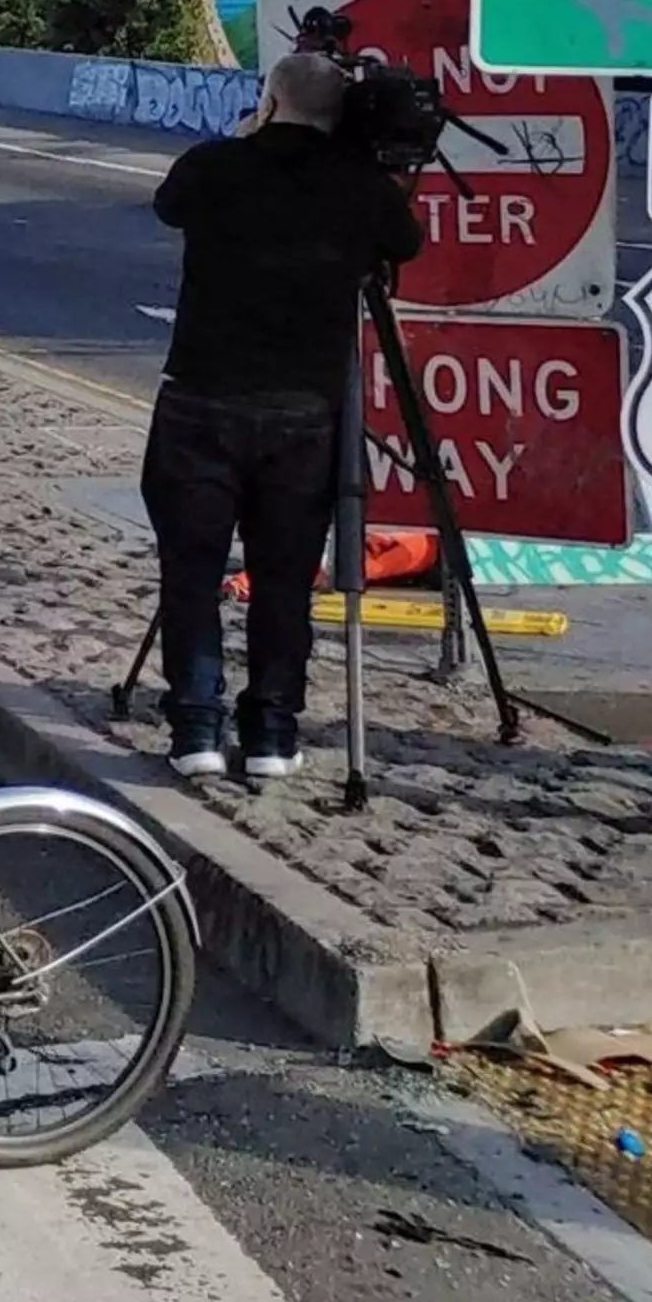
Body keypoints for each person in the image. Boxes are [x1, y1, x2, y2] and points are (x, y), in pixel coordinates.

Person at [143, 48, 421, 781]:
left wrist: (249, 132)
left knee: (191, 570)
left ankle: (196, 727)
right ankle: (271, 732)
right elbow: (407, 242)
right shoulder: (362, 186)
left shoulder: (214, 165)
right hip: (305, 410)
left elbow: (168, 203)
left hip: (200, 398)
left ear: (269, 101)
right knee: (285, 577)